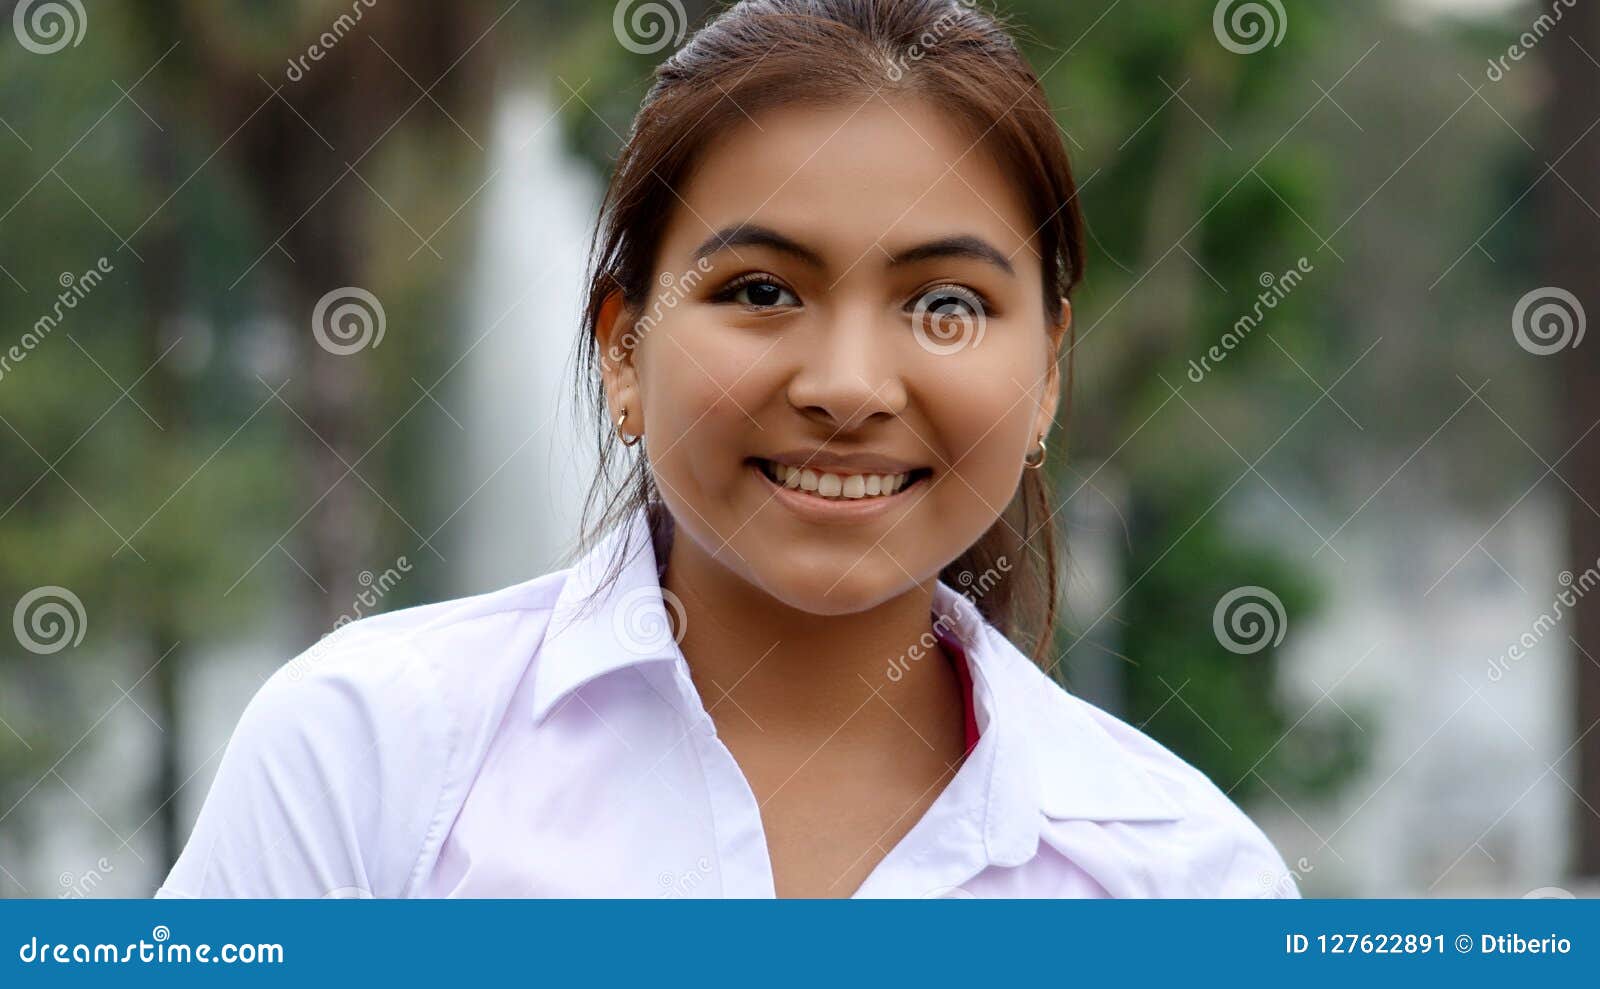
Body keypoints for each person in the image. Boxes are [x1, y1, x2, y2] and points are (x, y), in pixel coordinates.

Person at [156, 0, 1298, 899]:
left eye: (944, 302)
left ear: (1046, 370)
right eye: (761, 289)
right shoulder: (369, 757)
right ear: (621, 349)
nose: (848, 386)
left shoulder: (1179, 878)